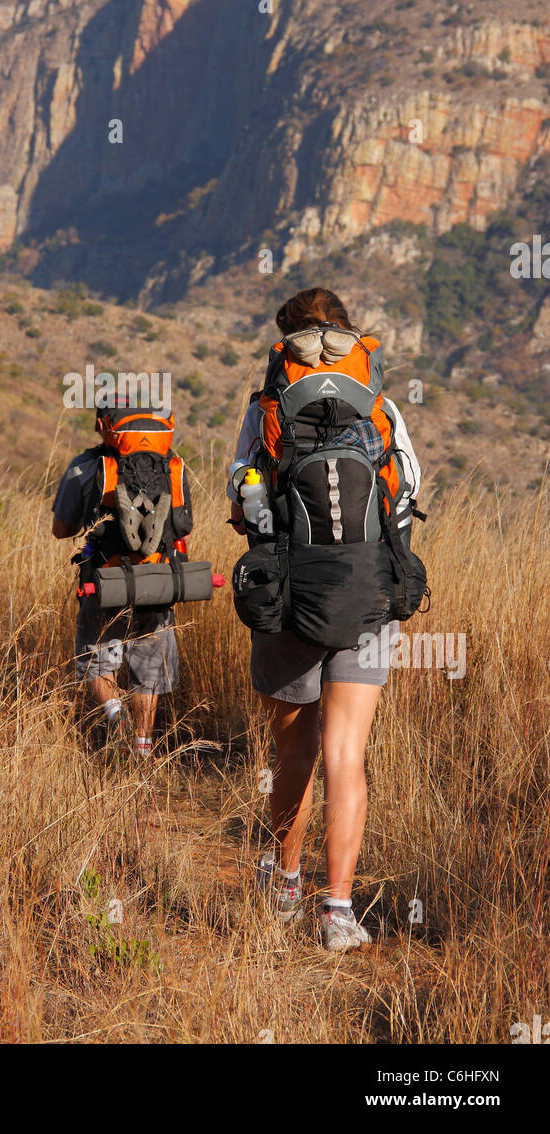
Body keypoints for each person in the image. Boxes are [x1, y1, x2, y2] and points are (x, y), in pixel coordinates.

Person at [229, 287, 423, 951]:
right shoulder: (380, 404)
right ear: (345, 332)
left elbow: (240, 493)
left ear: (287, 340)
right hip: (367, 595)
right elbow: (409, 488)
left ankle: (285, 883)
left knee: (295, 751)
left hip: (288, 595)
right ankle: (338, 912)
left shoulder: (268, 407)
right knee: (347, 756)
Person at [52, 399, 192, 759]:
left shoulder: (86, 467)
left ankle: (116, 716)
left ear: (104, 425)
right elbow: (183, 524)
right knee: (148, 666)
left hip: (105, 578)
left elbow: (60, 529)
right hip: (158, 577)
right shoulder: (172, 465)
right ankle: (143, 748)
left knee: (98, 662)